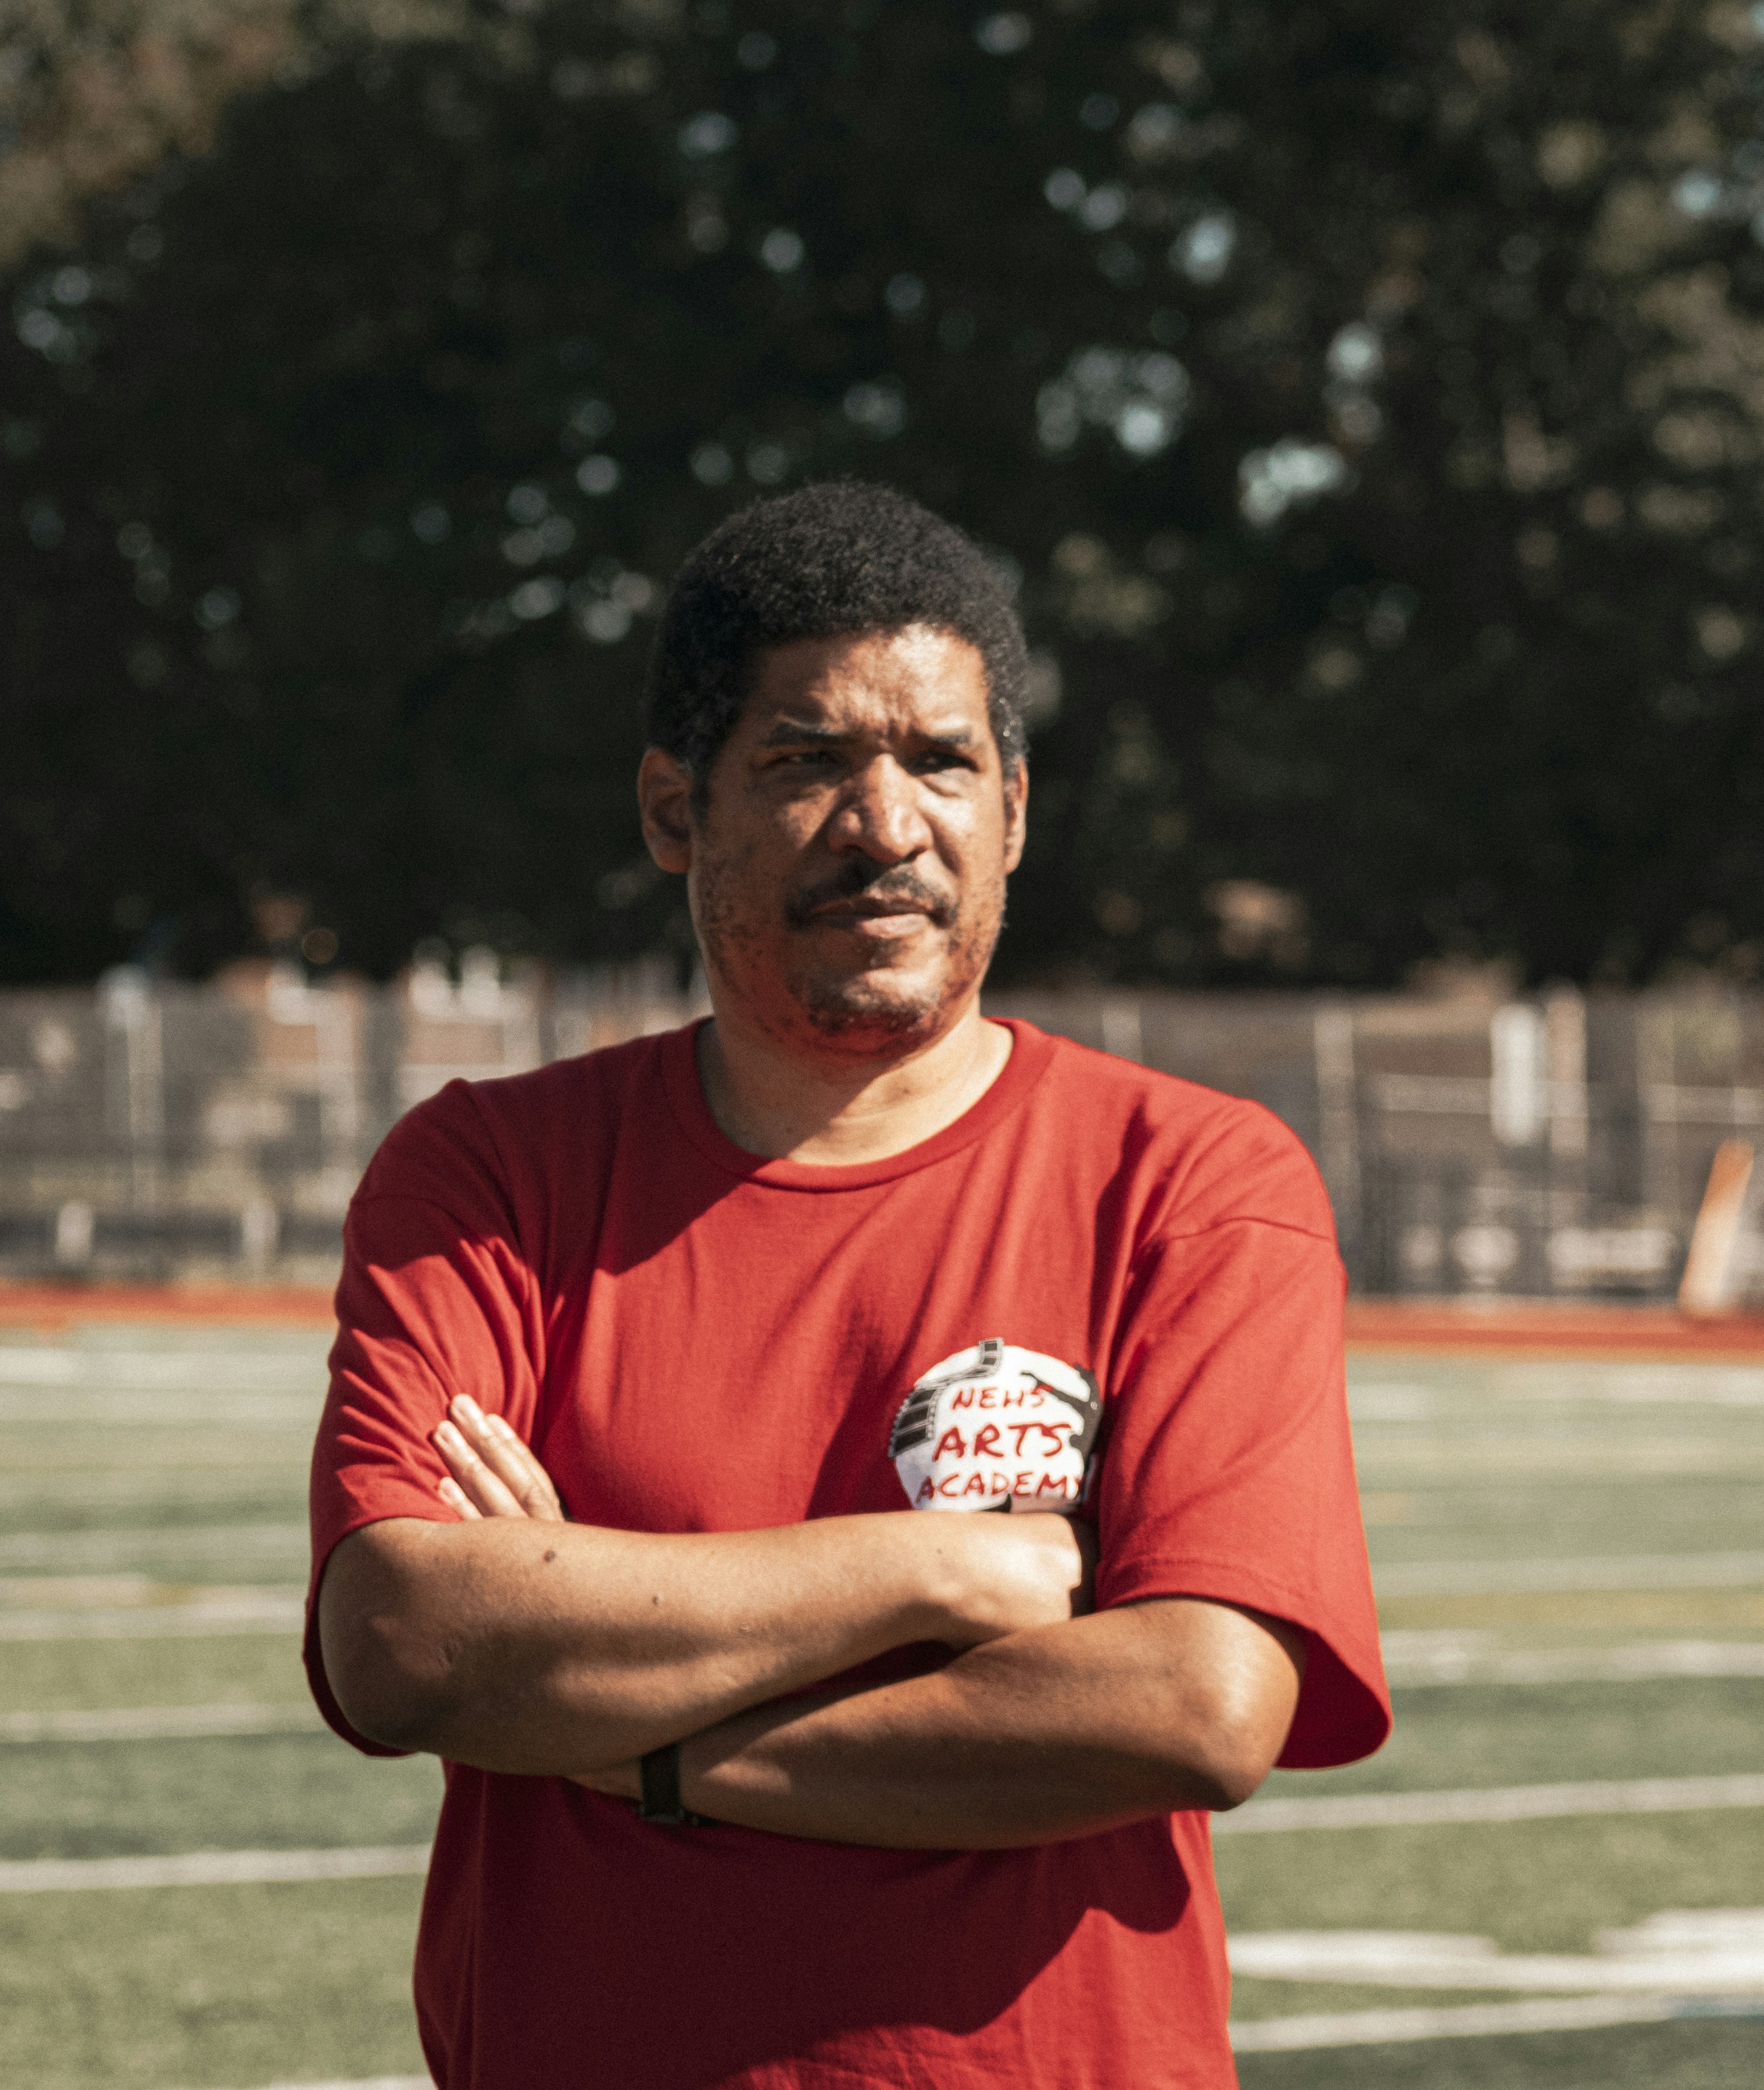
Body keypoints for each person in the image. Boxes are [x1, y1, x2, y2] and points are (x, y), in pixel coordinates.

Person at [305, 481, 1389, 2090]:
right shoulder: (490, 1177)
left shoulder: (1192, 1182)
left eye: (941, 763)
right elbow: (402, 1642)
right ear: (676, 814)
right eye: (808, 763)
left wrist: (639, 1739)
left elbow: (1194, 1709)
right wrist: (942, 1574)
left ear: (1012, 811)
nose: (886, 826)